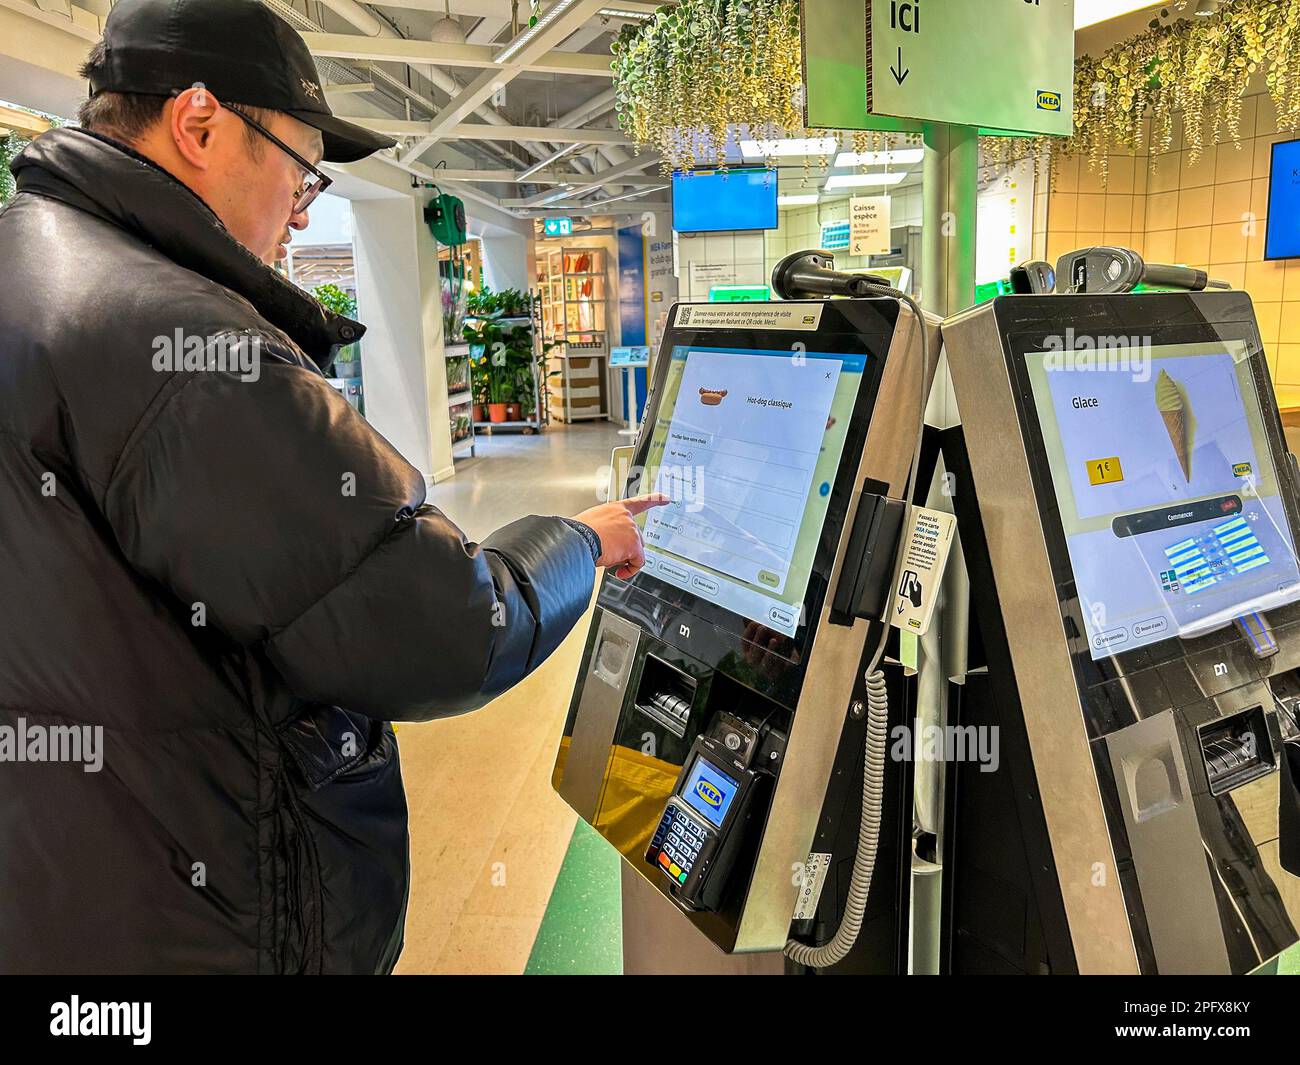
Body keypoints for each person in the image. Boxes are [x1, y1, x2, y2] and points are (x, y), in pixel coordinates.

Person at [0, 0, 664, 974]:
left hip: (69, 884)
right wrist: (580, 538)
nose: (305, 208)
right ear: (199, 124)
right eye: (301, 169)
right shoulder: (181, 345)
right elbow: (443, 628)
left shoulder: (29, 268)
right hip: (210, 912)